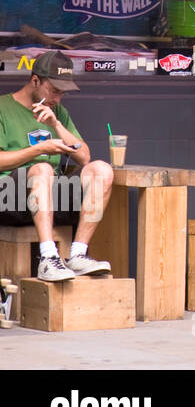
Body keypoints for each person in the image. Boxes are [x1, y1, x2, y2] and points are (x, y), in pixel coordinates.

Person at [0, 51, 114, 280]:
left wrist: (57, 125)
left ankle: (78, 254)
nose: (58, 99)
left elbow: (84, 157)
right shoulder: (3, 107)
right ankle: (48, 257)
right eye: (54, 90)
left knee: (101, 170)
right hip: (9, 198)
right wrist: (39, 150)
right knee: (42, 168)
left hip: (49, 197)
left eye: (62, 93)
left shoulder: (57, 112)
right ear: (35, 81)